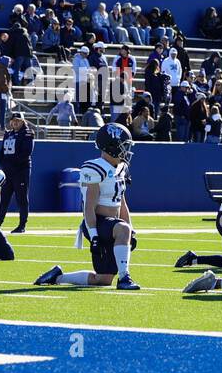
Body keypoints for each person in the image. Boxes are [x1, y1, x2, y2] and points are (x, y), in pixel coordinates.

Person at [34, 123, 141, 291]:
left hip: (114, 224)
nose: (126, 150)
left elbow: (122, 202)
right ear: (111, 146)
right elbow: (89, 207)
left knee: (103, 280)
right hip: (97, 223)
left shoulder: (122, 168)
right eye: (123, 145)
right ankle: (124, 277)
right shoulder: (95, 167)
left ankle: (58, 277)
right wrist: (94, 235)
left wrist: (131, 229)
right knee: (122, 229)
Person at [0, 113, 33, 233]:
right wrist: (4, 165)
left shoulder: (27, 133)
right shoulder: (8, 134)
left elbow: (26, 152)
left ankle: (22, 225)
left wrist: (12, 164)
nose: (15, 123)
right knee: (4, 198)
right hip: (8, 171)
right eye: (13, 120)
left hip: (20, 170)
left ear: (23, 121)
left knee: (21, 198)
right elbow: (1, 152)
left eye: (18, 120)